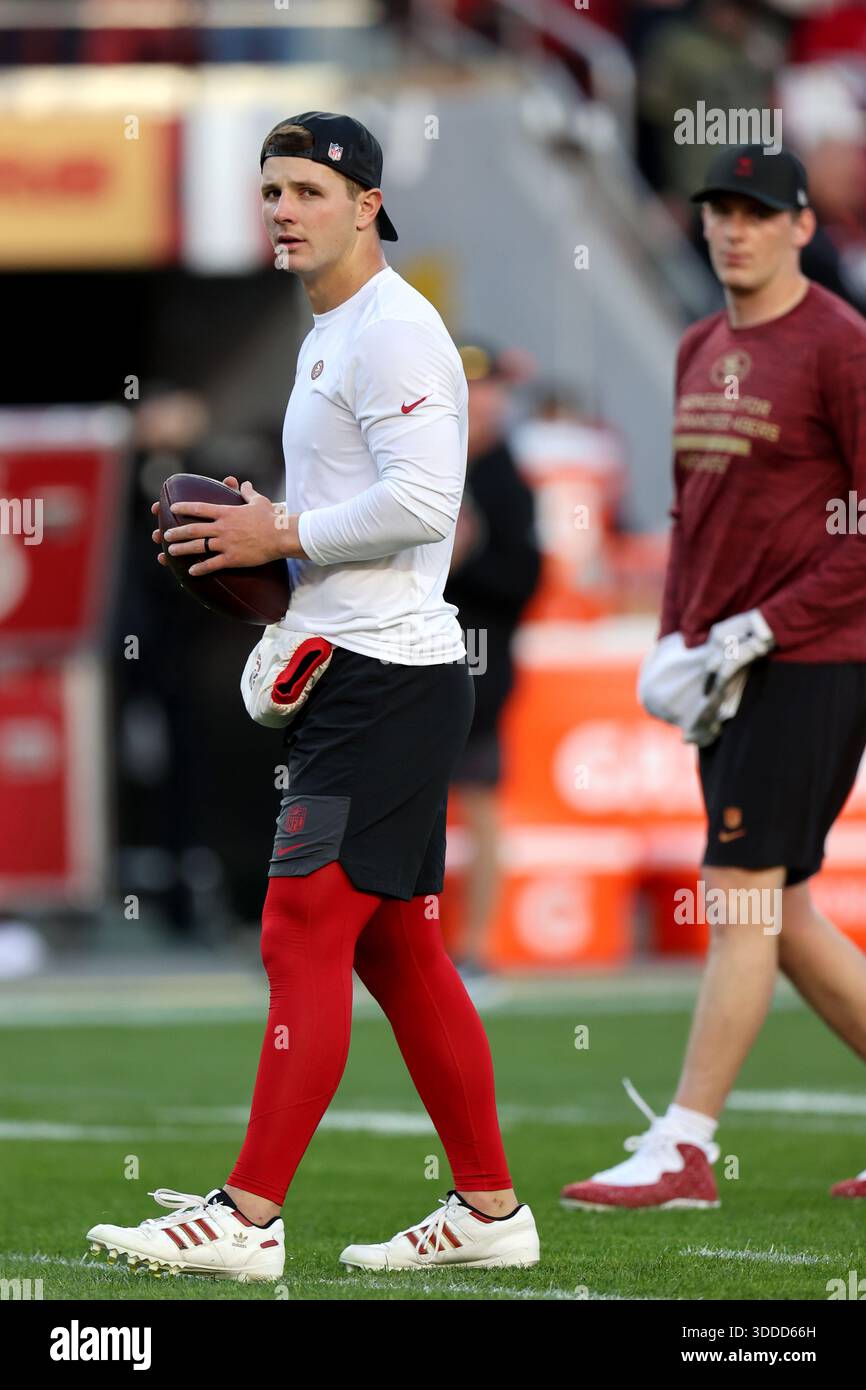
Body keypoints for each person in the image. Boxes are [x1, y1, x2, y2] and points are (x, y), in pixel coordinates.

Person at [86, 111, 540, 1277]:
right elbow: (365, 507)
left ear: (366, 203)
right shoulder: (334, 329)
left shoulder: (392, 329)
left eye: (303, 189)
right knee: (396, 953)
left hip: (384, 678)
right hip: (363, 665)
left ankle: (247, 1215)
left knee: (298, 933)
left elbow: (427, 504)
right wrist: (277, 549)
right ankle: (491, 1216)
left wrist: (278, 526)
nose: (280, 209)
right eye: (269, 190)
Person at [560, 144, 866, 1211]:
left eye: (753, 213)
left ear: (795, 226)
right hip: (724, 663)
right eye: (716, 213)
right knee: (777, 912)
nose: (731, 229)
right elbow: (691, 517)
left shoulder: (838, 345)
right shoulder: (695, 342)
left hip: (813, 659)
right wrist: (673, 634)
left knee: (739, 896)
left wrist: (759, 628)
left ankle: (683, 1147)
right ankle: (682, 1147)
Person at [444, 343, 542, 974]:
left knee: (478, 800)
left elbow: (523, 577)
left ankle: (476, 942)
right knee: (399, 798)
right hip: (406, 654)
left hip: (478, 661)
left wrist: (467, 558)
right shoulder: (422, 457)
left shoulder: (506, 477)